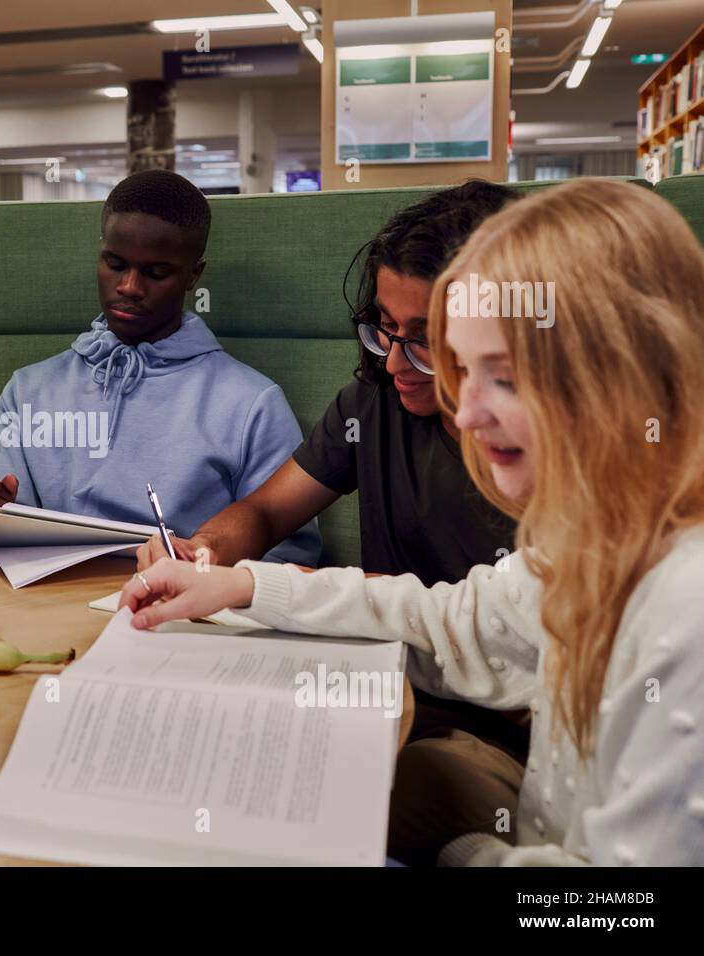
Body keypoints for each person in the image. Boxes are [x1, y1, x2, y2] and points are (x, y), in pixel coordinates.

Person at [120, 178, 704, 865]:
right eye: (464, 368)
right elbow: (453, 620)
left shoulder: (683, 605)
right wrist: (244, 585)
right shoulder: (595, 539)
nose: (468, 413)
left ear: (620, 372)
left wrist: (461, 855)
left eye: (505, 376)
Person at [137, 180, 526, 865]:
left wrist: (259, 588)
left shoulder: (535, 449)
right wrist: (203, 554)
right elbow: (263, 509)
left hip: (487, 734)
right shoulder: (372, 401)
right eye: (383, 328)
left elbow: (476, 633)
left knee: (296, 807)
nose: (395, 361)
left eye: (426, 342)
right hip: (372, 687)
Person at [0, 169, 319, 566]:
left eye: (156, 273)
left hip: (183, 616)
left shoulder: (252, 403)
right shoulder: (28, 390)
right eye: (115, 264)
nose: (130, 287)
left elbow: (288, 557)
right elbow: (12, 541)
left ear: (194, 276)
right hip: (44, 608)